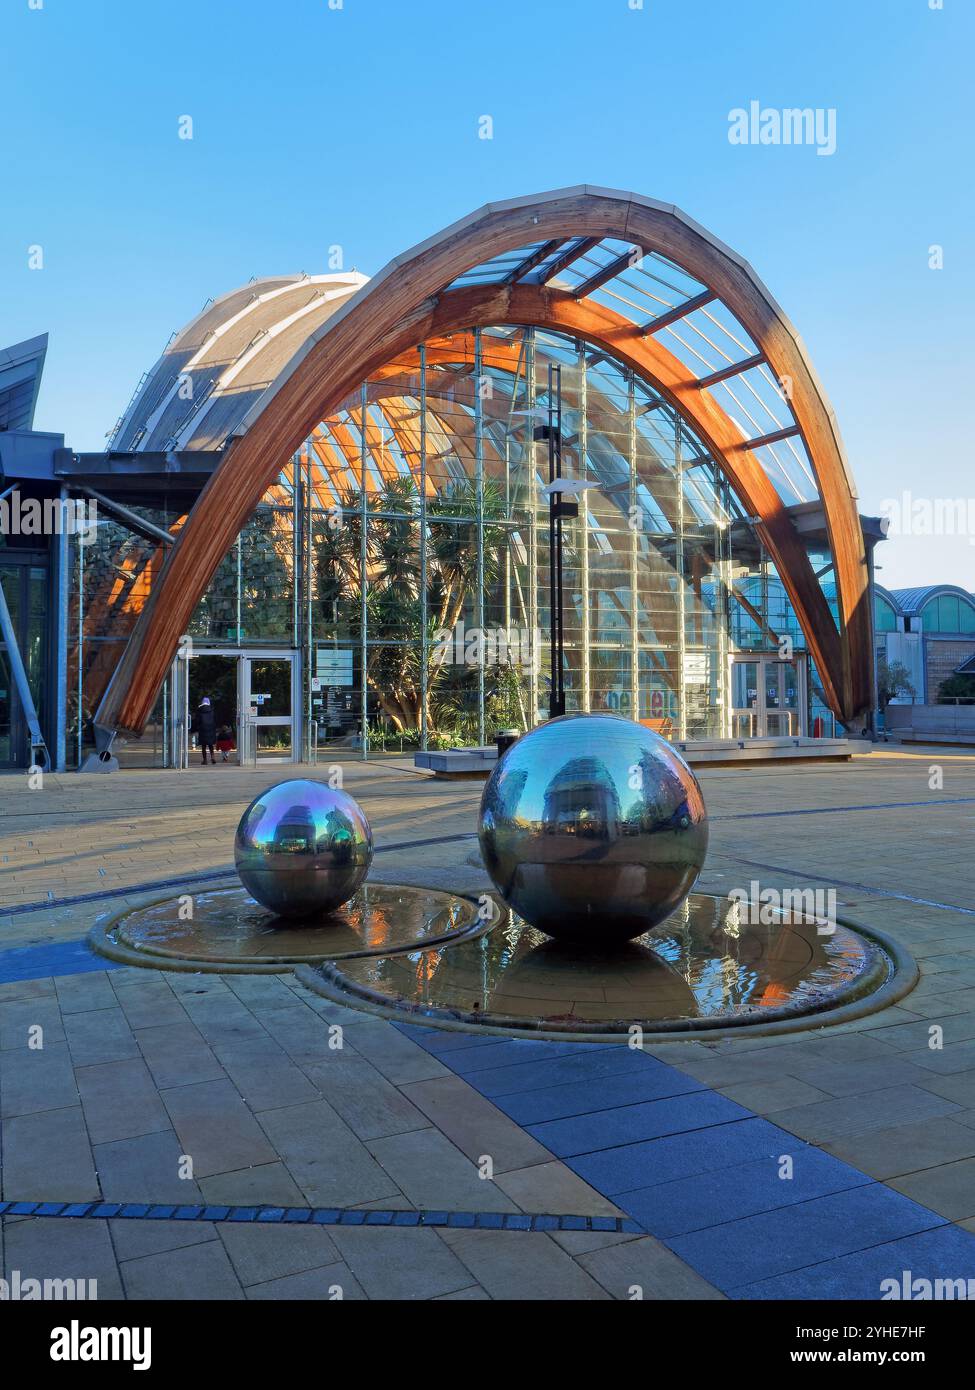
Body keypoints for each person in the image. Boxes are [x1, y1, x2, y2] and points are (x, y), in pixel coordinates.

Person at [192, 696, 217, 765]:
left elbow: (197, 721)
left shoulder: (199, 710)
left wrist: (195, 728)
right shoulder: (212, 710)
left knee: (203, 746)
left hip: (202, 730)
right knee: (210, 745)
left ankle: (205, 760)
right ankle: (213, 757)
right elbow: (215, 720)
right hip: (211, 729)